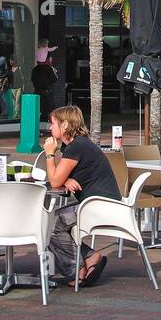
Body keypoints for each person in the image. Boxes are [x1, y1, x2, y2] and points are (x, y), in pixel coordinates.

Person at [42, 105, 119, 287]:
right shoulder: (79, 145)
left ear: (65, 125)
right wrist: (66, 179)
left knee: (51, 224)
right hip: (101, 203)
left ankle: (74, 270)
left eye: (53, 123)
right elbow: (59, 178)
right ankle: (90, 257)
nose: (49, 128)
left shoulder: (77, 146)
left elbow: (53, 181)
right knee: (55, 222)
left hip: (100, 205)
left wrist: (49, 154)